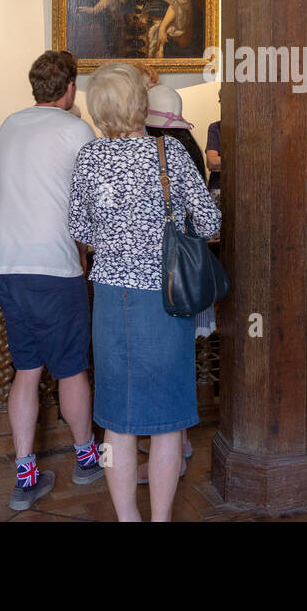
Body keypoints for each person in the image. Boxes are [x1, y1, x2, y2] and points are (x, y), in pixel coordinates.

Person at [69, 63, 221, 522]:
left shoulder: (88, 158)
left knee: (116, 420)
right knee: (169, 422)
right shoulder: (168, 154)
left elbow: (80, 230)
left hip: (112, 299)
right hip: (165, 298)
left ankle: (127, 519)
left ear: (98, 109)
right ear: (141, 104)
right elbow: (211, 223)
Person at [0, 50, 102, 511]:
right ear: (70, 88)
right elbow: (90, 202)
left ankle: (26, 474)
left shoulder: (8, 125)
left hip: (7, 264)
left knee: (26, 369)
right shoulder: (76, 130)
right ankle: (86, 458)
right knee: (72, 367)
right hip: (54, 267)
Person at [140, 83, 211, 481]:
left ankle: (172, 443)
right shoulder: (190, 148)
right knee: (177, 356)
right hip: (184, 271)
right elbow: (204, 218)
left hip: (159, 272)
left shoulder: (158, 152)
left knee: (160, 362)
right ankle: (175, 439)